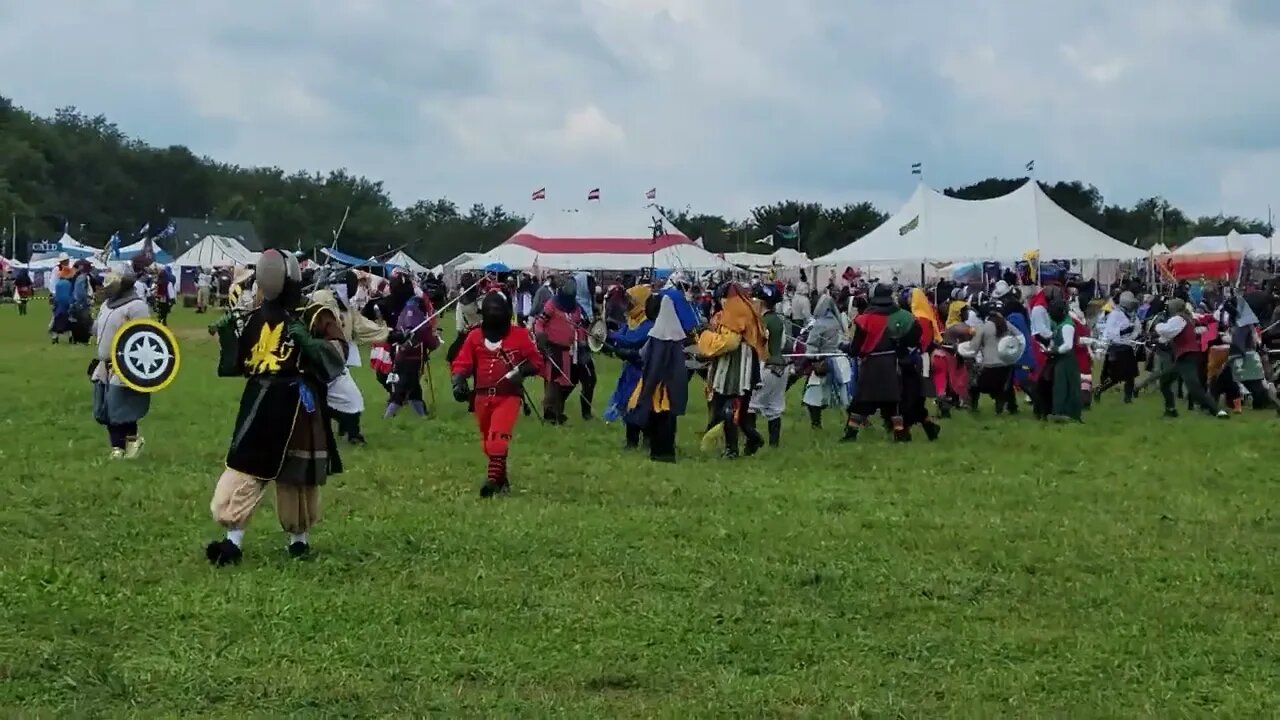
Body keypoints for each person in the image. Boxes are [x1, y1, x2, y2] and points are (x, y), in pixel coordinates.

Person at [205, 249, 347, 566]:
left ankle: (299, 540)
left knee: (296, 478)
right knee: (245, 467)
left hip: (297, 406)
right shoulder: (256, 316)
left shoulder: (313, 315)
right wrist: (229, 335)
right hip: (258, 402)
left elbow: (337, 357)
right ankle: (232, 541)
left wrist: (310, 344)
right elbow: (237, 365)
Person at [450, 291, 544, 497]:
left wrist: (522, 371)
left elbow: (536, 361)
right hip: (481, 398)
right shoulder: (475, 336)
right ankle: (502, 480)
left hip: (508, 397)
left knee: (498, 438)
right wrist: (458, 381)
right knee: (488, 444)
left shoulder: (519, 335)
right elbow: (462, 362)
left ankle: (491, 482)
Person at [843, 283, 938, 442]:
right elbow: (914, 338)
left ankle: (850, 434)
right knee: (895, 401)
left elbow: (856, 348)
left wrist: (845, 348)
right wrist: (900, 345)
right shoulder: (905, 316)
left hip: (872, 366)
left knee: (862, 400)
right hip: (896, 365)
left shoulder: (863, 320)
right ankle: (901, 434)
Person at [310, 287, 389, 444]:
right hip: (314, 360)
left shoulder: (347, 309)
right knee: (314, 399)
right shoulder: (319, 300)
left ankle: (352, 433)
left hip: (335, 363)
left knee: (352, 399)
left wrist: (390, 334)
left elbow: (363, 326)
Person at [698, 283, 767, 457]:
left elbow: (730, 342)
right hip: (739, 366)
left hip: (736, 369)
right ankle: (753, 439)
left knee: (730, 408)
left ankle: (732, 449)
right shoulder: (746, 309)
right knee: (738, 412)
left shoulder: (736, 312)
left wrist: (707, 338)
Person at [90, 270, 152, 459]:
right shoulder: (107, 305)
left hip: (125, 364)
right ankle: (117, 446)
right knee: (105, 408)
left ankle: (129, 443)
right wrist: (83, 319)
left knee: (123, 406)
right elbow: (98, 329)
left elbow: (143, 335)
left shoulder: (136, 306)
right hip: (104, 364)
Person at [625, 292, 691, 462]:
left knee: (659, 419)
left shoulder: (659, 336)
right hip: (672, 386)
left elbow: (653, 364)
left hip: (659, 387)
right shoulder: (675, 335)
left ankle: (660, 454)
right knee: (669, 420)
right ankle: (667, 452)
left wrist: (646, 390)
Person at [603, 284, 654, 449]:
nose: (628, 304)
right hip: (630, 371)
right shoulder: (632, 319)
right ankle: (631, 442)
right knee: (627, 405)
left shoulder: (649, 322)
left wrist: (607, 335)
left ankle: (647, 440)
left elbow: (631, 340)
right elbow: (621, 335)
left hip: (643, 371)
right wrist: (606, 335)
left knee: (642, 406)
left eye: (632, 300)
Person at [533, 274, 588, 424]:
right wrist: (541, 337)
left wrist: (582, 344)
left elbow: (580, 327)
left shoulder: (575, 307)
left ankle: (558, 412)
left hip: (569, 350)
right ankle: (550, 414)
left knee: (565, 382)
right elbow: (539, 323)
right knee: (553, 382)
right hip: (552, 348)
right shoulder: (552, 304)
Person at [386, 282, 440, 418]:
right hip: (413, 361)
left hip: (400, 358)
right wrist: (437, 339)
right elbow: (431, 343)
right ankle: (387, 416)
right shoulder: (422, 323)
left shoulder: (402, 318)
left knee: (414, 389)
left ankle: (422, 416)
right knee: (401, 390)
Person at [801, 294, 854, 428]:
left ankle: (816, 425)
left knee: (812, 397)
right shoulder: (839, 320)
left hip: (824, 362)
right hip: (841, 362)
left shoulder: (820, 324)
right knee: (845, 397)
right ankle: (852, 424)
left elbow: (812, 346)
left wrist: (810, 358)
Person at [747, 284, 787, 447]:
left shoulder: (761, 322)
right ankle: (774, 444)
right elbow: (782, 344)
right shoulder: (778, 320)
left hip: (764, 366)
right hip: (781, 368)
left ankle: (752, 442)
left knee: (750, 406)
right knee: (774, 408)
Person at [967, 306, 1017, 414]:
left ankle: (973, 407)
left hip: (989, 368)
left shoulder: (983, 327)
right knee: (1001, 387)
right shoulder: (1007, 325)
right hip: (1005, 367)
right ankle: (1001, 406)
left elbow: (973, 347)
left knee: (973, 386)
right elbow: (1019, 337)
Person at [1098, 291, 1142, 403]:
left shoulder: (1131, 315)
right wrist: (1125, 331)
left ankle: (1128, 399)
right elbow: (1110, 332)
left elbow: (1137, 328)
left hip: (1127, 347)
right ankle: (1099, 390)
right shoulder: (1115, 314)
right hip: (1117, 348)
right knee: (1115, 377)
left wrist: (1134, 334)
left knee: (1130, 375)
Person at [1045, 298, 1083, 422]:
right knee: (1060, 386)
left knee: (1066, 386)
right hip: (1060, 360)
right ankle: (1059, 411)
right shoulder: (1060, 324)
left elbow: (1068, 345)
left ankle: (1068, 413)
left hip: (1066, 360)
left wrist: (1054, 350)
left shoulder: (1067, 325)